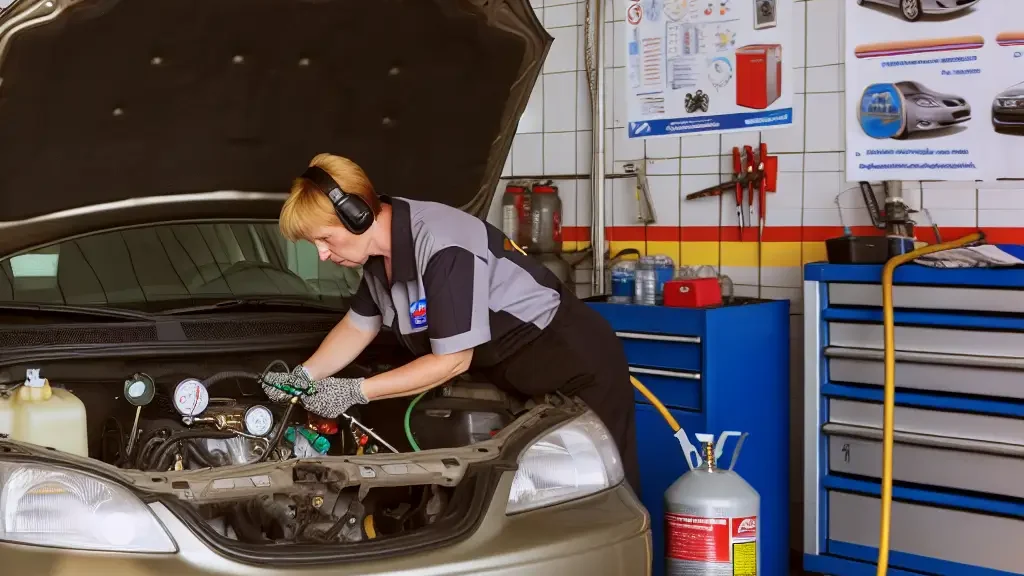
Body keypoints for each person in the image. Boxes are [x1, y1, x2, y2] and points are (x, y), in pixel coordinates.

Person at [262, 153, 639, 490]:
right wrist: (303, 377)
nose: (323, 255)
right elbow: (359, 325)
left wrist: (355, 391)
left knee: (599, 491)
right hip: (514, 377)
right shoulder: (378, 257)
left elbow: (453, 359)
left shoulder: (442, 243)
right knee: (532, 495)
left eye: (325, 239)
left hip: (574, 365)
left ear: (357, 215)